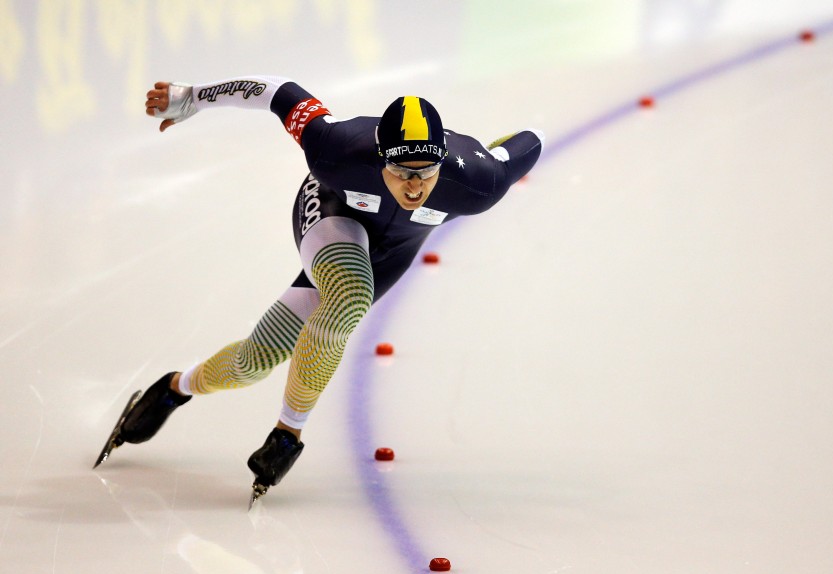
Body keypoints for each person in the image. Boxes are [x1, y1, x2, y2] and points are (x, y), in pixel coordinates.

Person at [95, 75, 544, 503]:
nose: (414, 186)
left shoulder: (479, 181)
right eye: (400, 170)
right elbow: (277, 92)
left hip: (391, 254)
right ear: (380, 158)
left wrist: (489, 154)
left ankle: (175, 388)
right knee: (349, 297)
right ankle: (287, 434)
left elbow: (531, 140)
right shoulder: (338, 147)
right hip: (332, 213)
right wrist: (193, 96)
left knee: (252, 362)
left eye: (426, 172)